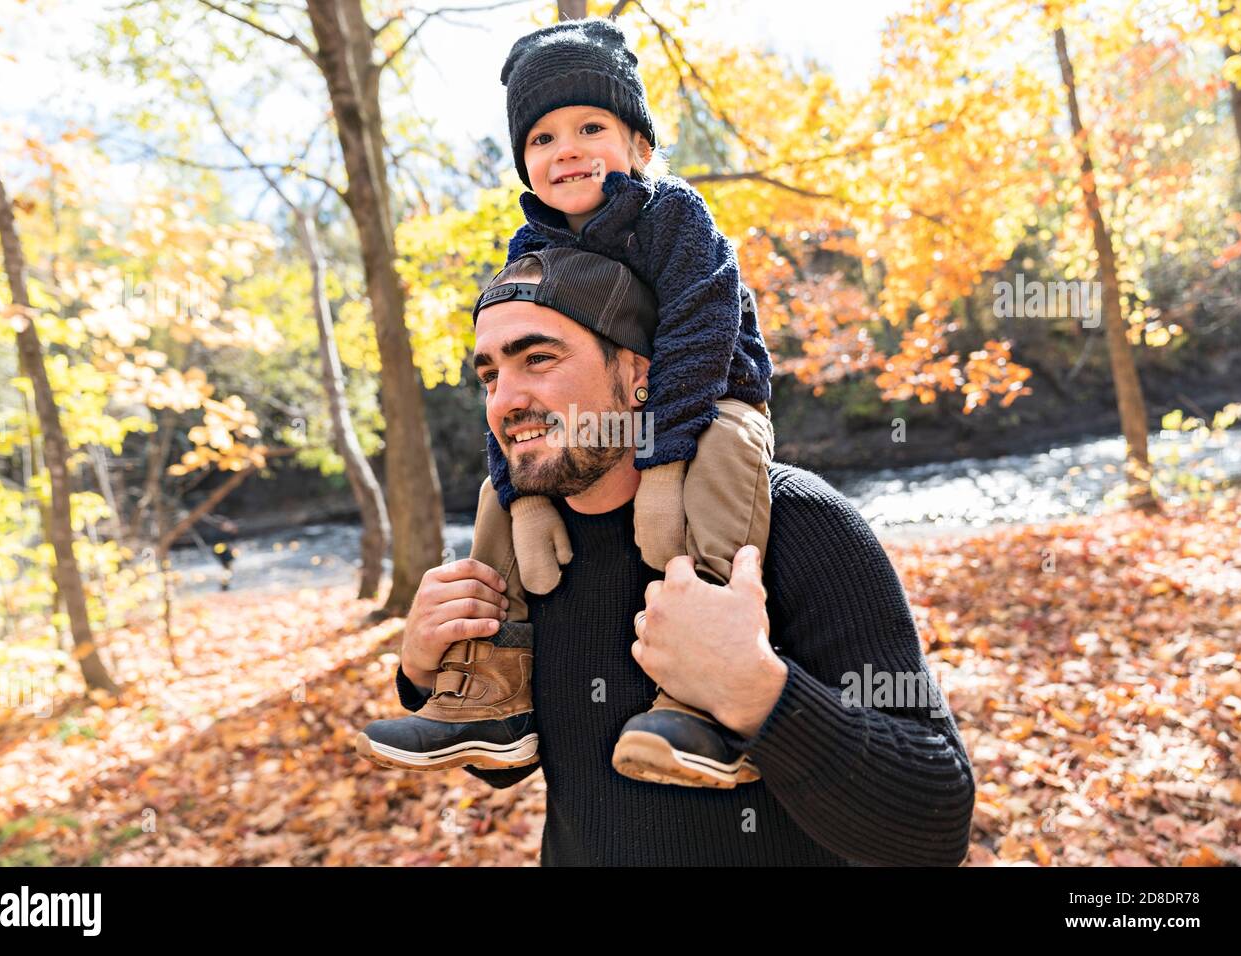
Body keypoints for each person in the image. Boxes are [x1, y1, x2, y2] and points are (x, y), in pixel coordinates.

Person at [359, 247, 976, 865]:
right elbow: (506, 765)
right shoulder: (524, 551)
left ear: (639, 374)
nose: (505, 401)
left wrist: (759, 694)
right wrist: (423, 672)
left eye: (538, 359)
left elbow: (934, 824)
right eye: (490, 375)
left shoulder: (797, 520)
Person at [357, 15, 776, 788]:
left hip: (712, 394)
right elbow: (510, 393)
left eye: (591, 125)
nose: (567, 148)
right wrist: (524, 501)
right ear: (524, 163)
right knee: (497, 486)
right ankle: (491, 689)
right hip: (614, 428)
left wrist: (659, 467)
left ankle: (701, 689)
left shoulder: (674, 215)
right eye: (542, 138)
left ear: (640, 148)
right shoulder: (530, 256)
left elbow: (697, 328)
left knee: (724, 449)